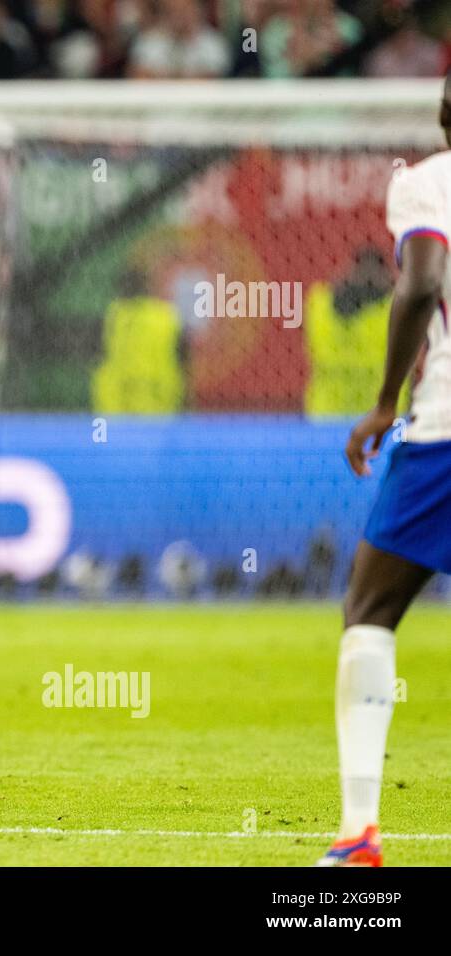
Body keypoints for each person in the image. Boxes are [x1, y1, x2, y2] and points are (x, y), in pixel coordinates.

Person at [319, 73, 451, 867]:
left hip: (443, 431)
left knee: (369, 607)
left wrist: (381, 400)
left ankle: (360, 830)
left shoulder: (427, 182)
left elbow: (422, 283)